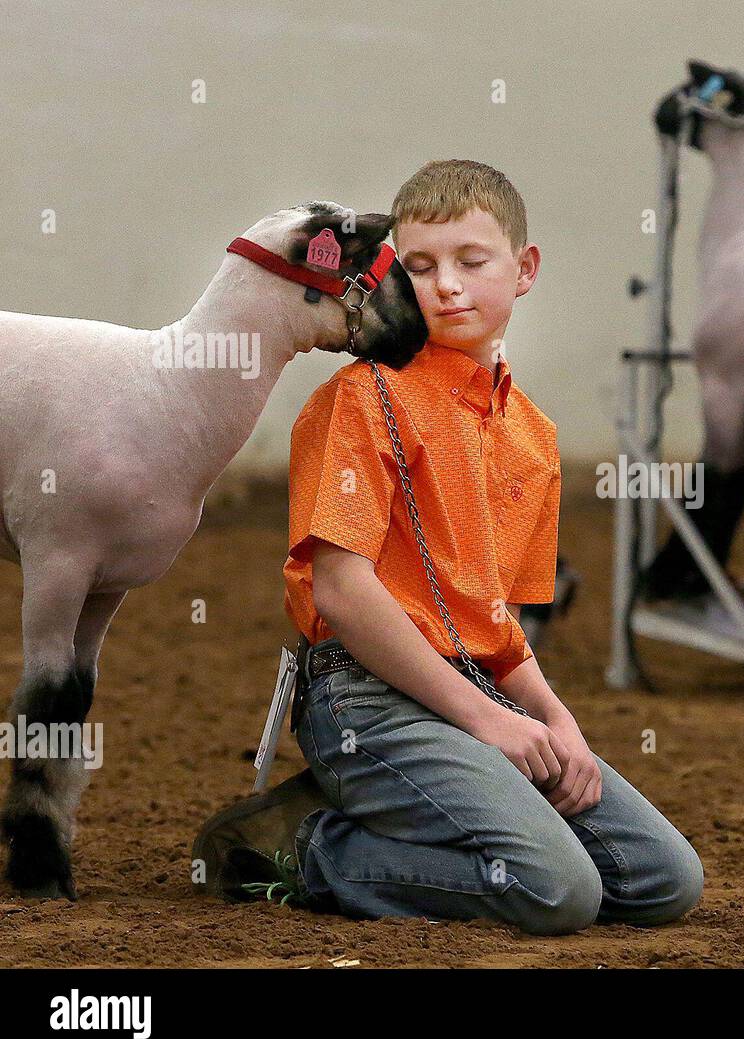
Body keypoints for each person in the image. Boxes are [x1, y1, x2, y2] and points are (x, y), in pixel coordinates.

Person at [194, 160, 702, 935]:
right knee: (556, 889)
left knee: (662, 879)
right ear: (395, 275)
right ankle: (300, 843)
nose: (447, 286)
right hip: (363, 697)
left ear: (524, 270)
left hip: (472, 690)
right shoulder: (363, 398)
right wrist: (490, 723)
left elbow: (498, 628)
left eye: (473, 261)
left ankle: (418, 808)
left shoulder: (533, 434)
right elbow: (341, 590)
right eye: (421, 267)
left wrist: (557, 721)